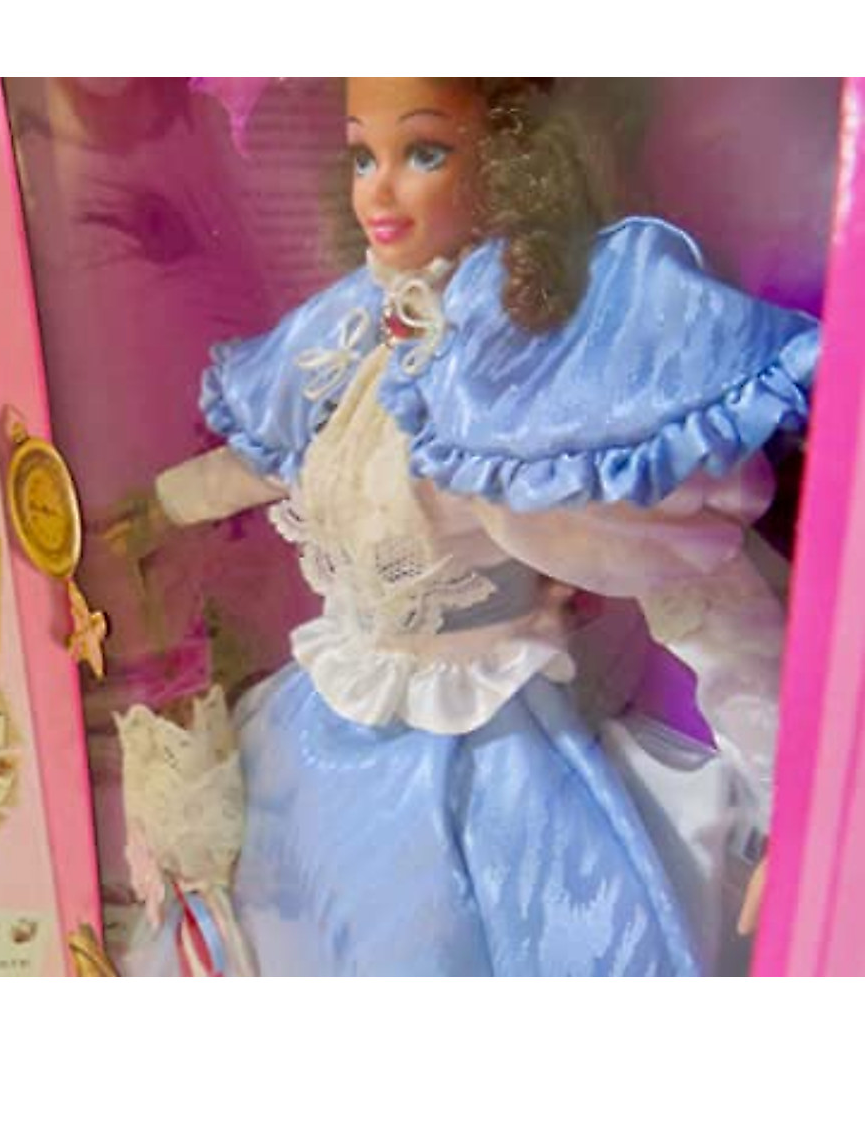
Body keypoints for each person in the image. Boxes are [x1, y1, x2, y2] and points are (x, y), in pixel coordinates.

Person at [107, 78, 819, 976]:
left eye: (423, 152)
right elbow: (283, 451)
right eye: (362, 155)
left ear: (509, 160)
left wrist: (796, 805)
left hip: (473, 770)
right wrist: (160, 508)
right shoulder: (357, 323)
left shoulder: (525, 362)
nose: (378, 188)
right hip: (318, 737)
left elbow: (703, 600)